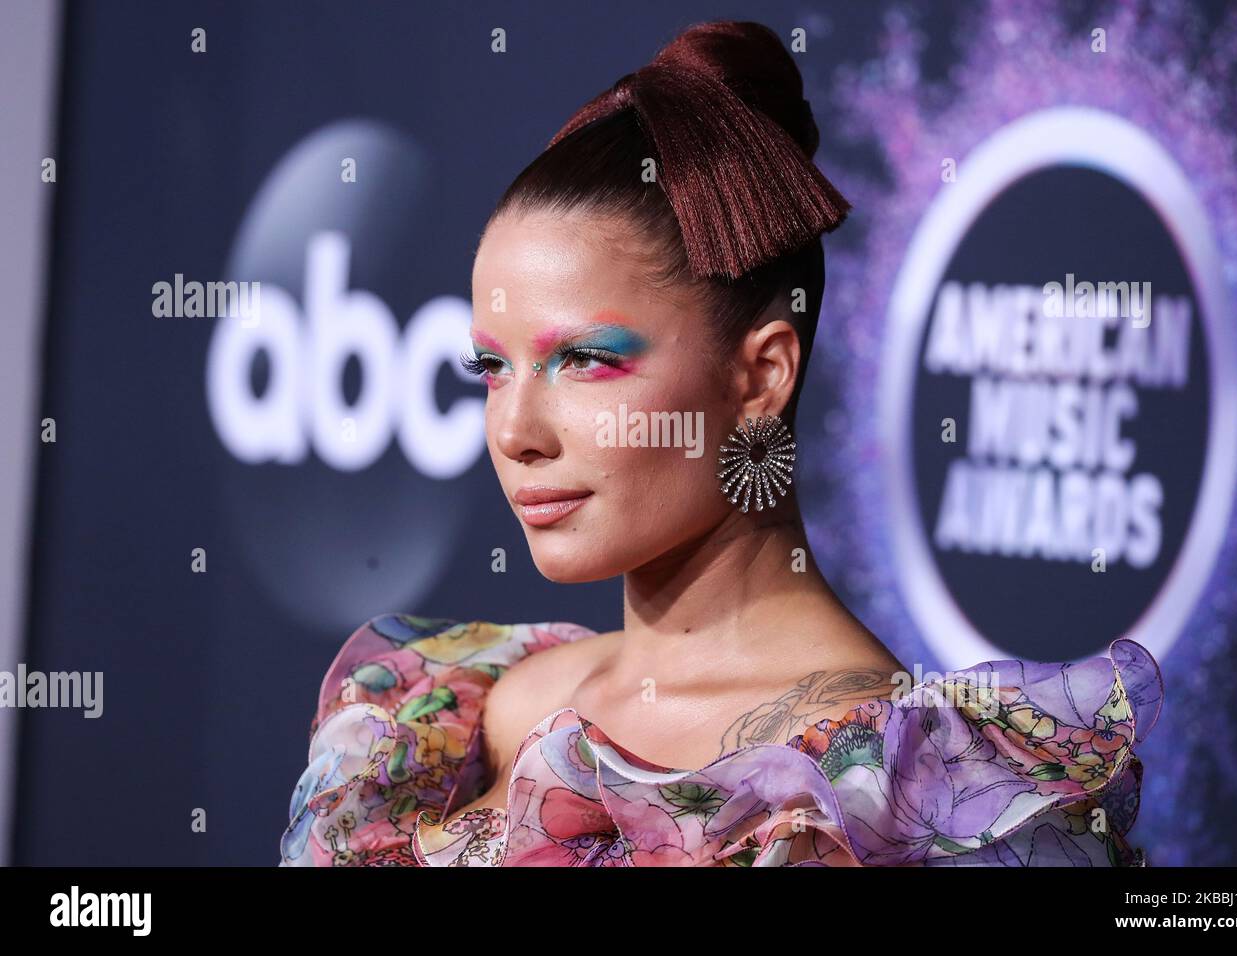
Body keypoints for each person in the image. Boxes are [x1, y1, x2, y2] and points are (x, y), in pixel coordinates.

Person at [279, 20, 1163, 867]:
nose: (514, 433)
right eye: (492, 367)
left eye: (585, 359)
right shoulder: (482, 711)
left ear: (761, 377)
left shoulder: (897, 804)